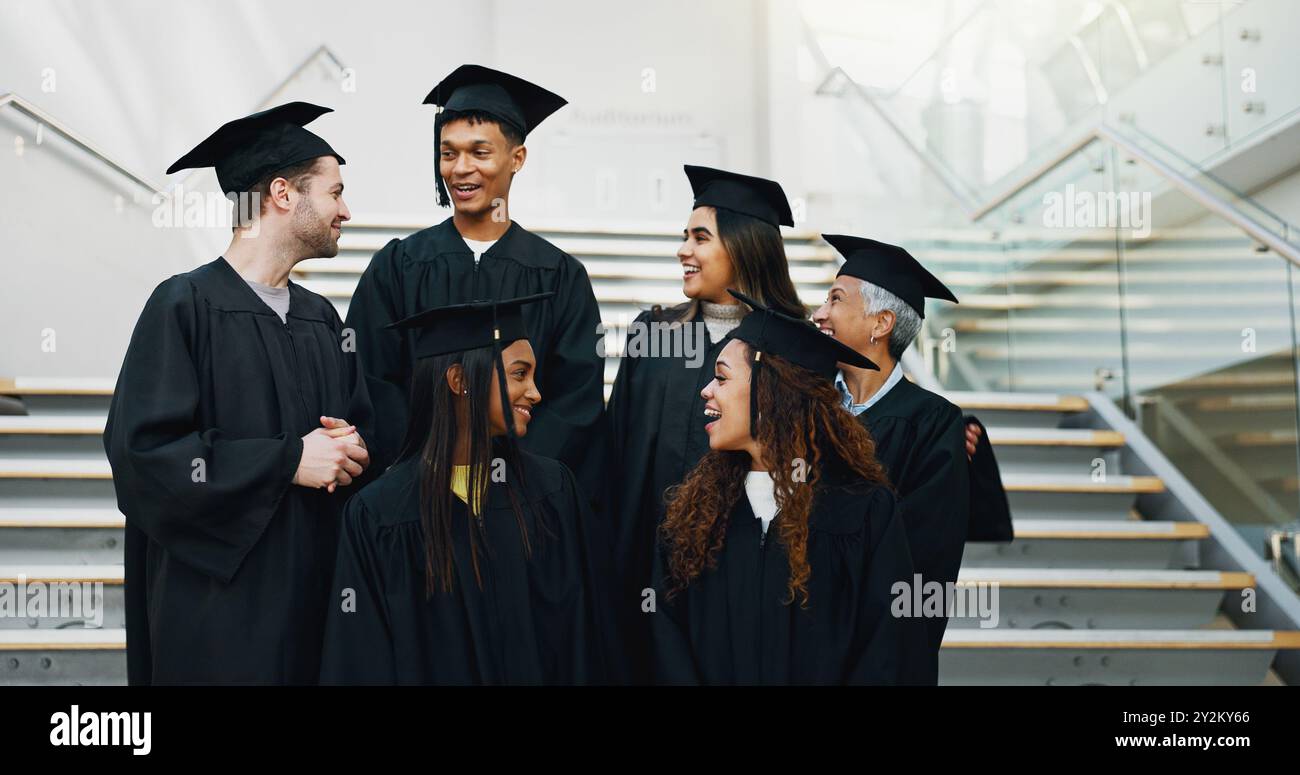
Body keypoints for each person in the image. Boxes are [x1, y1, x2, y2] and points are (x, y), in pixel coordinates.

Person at [104, 102, 374, 684]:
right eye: (334, 193)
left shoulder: (323, 319)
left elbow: (355, 429)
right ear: (282, 193)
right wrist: (288, 459)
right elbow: (144, 456)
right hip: (217, 613)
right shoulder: (184, 306)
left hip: (316, 606)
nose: (346, 211)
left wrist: (353, 448)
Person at [319, 293, 611, 685]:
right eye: (520, 374)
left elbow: (590, 639)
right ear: (459, 381)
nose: (536, 392)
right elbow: (360, 659)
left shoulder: (552, 492)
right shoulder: (380, 515)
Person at [344, 65, 604, 497]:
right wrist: (422, 466)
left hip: (522, 504)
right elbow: (371, 379)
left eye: (479, 153)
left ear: (516, 159)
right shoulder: (398, 266)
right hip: (418, 491)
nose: (461, 169)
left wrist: (516, 476)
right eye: (448, 154)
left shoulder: (560, 276)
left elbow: (576, 398)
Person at [651, 290, 923, 685]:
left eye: (722, 377)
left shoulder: (861, 512)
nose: (706, 390)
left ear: (771, 392)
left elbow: (887, 648)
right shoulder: (695, 513)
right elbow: (665, 638)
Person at [603, 165, 806, 682]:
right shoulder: (655, 333)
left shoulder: (788, 345)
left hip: (743, 577)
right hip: (645, 572)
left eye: (700, 237)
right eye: (683, 237)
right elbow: (616, 449)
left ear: (743, 247)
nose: (683, 250)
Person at [811, 234, 1012, 683]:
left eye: (836, 299)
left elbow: (921, 566)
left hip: (877, 660)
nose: (819, 313)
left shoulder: (933, 425)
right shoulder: (805, 404)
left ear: (880, 323)